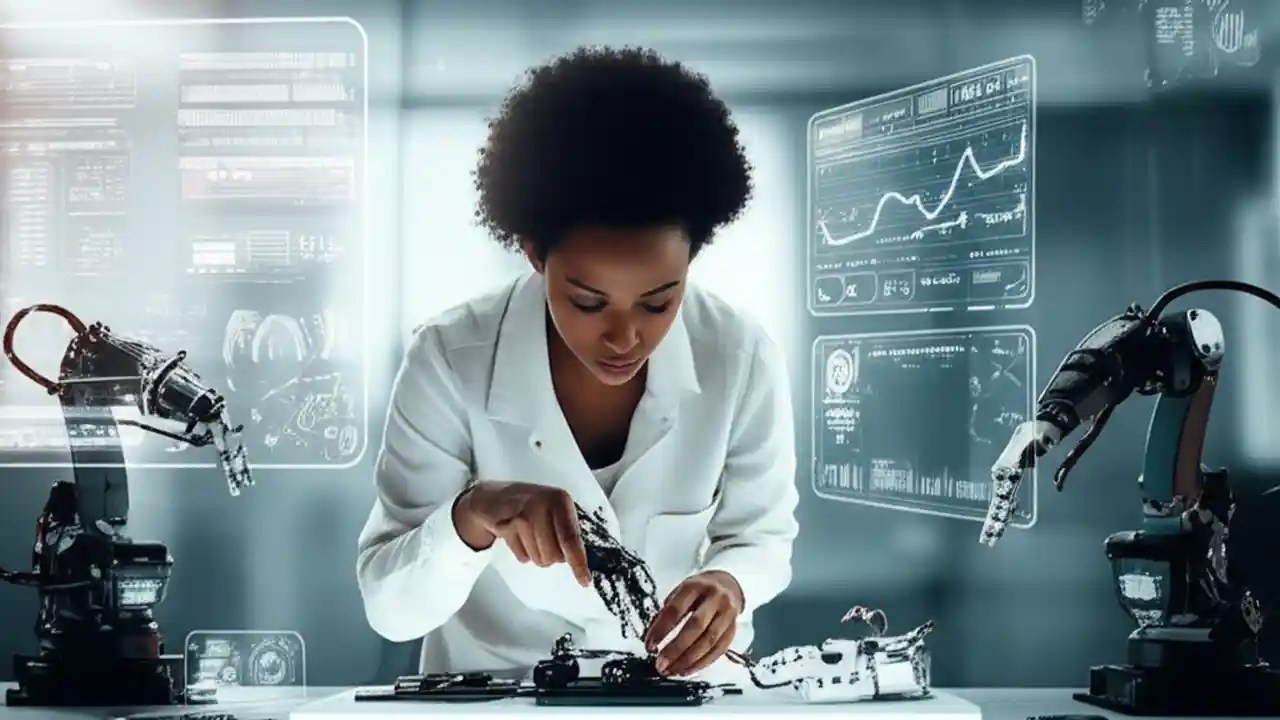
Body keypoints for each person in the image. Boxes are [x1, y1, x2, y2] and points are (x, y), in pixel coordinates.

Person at [356, 45, 799, 680]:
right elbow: (389, 608)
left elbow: (761, 538)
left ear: (693, 259)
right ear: (534, 254)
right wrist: (471, 518)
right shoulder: (447, 358)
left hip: (686, 697)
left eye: (658, 300)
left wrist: (731, 583)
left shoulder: (741, 354)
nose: (625, 338)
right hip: (502, 697)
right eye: (588, 301)